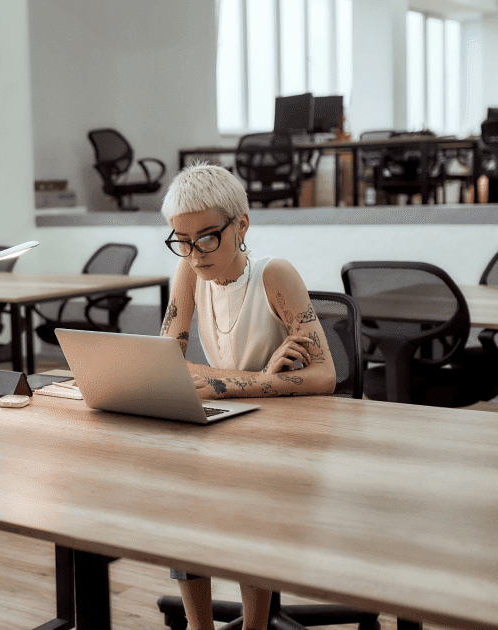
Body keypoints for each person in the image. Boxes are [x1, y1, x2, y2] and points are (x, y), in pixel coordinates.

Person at [158, 163, 336, 630]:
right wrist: (249, 379)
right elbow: (166, 362)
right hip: (233, 423)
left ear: (242, 224)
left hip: (288, 437)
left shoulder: (274, 275)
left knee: (244, 492)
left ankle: (256, 627)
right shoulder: (187, 273)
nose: (195, 254)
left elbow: (324, 375)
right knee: (182, 493)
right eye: (182, 239)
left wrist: (230, 381)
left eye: (208, 237)